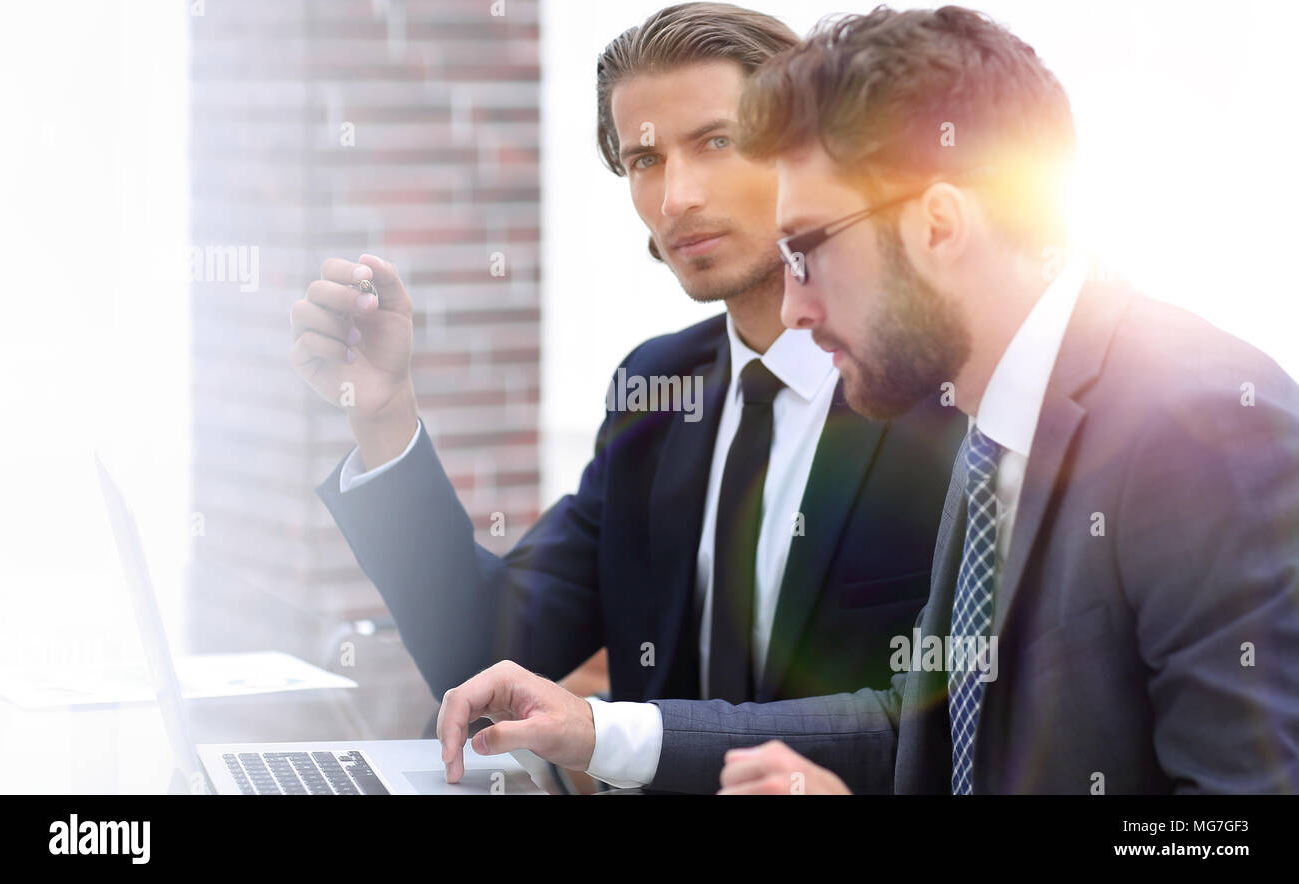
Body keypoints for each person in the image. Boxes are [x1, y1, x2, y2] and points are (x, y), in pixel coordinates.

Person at [435, 5, 1299, 795]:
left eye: (808, 248)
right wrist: (602, 732)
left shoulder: (1200, 426)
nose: (795, 309)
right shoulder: (994, 423)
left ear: (938, 227)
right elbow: (917, 734)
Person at [288, 2, 964, 790]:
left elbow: (935, 730)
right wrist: (384, 416)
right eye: (645, 159)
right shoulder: (657, 389)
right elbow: (480, 650)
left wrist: (605, 732)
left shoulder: (943, 399)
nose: (676, 196)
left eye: (717, 142)